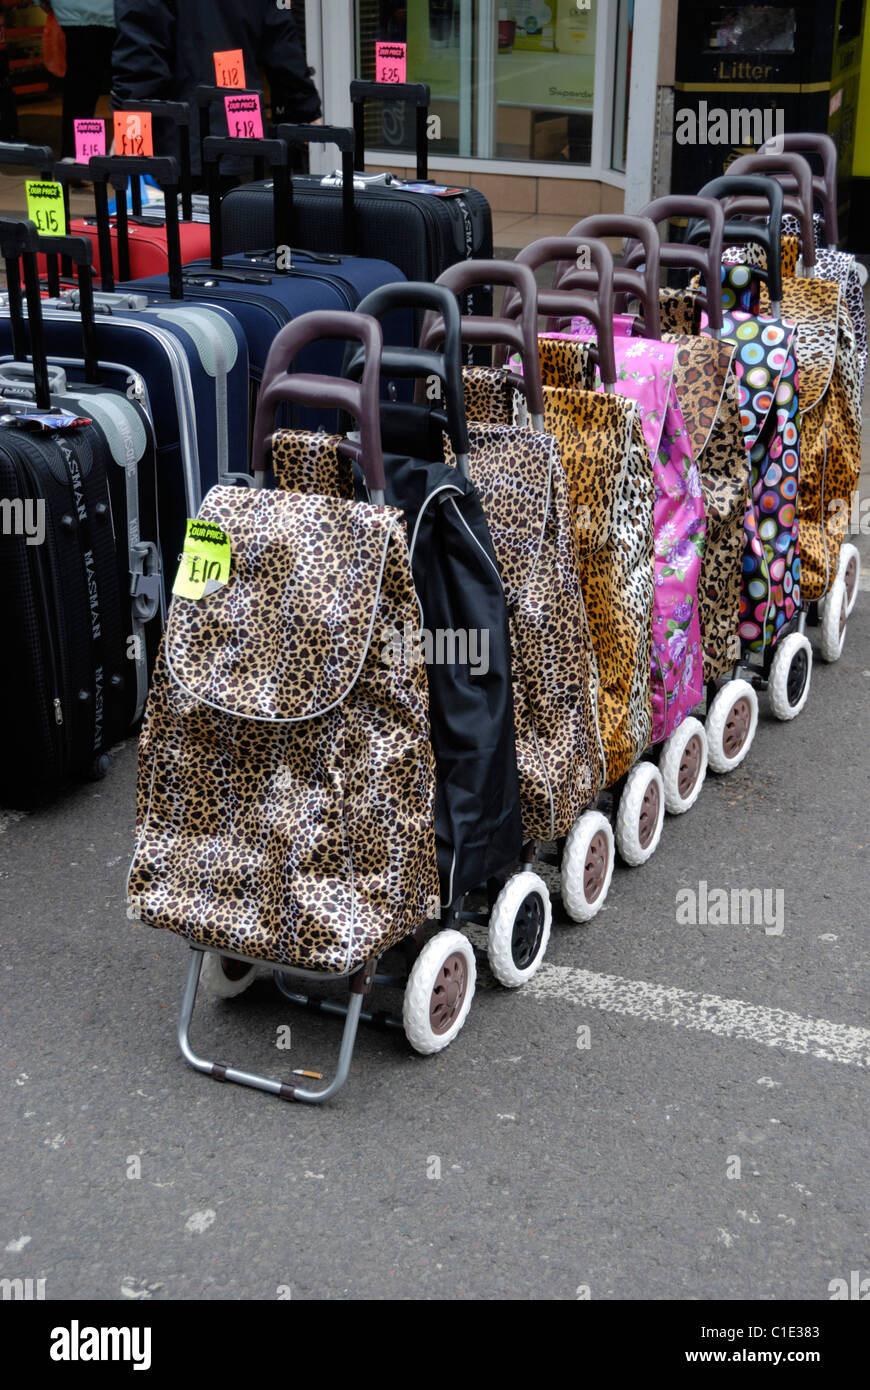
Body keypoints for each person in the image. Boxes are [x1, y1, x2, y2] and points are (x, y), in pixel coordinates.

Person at [111, 0, 322, 180]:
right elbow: (281, 41)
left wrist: (127, 123)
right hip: (241, 130)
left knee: (180, 223)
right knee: (241, 220)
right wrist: (305, 109)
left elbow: (141, 58)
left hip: (179, 138)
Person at [41, 1, 116, 158]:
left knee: (80, 90)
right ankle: (133, 157)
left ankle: (78, 156)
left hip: (73, 12)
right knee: (129, 87)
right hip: (118, 12)